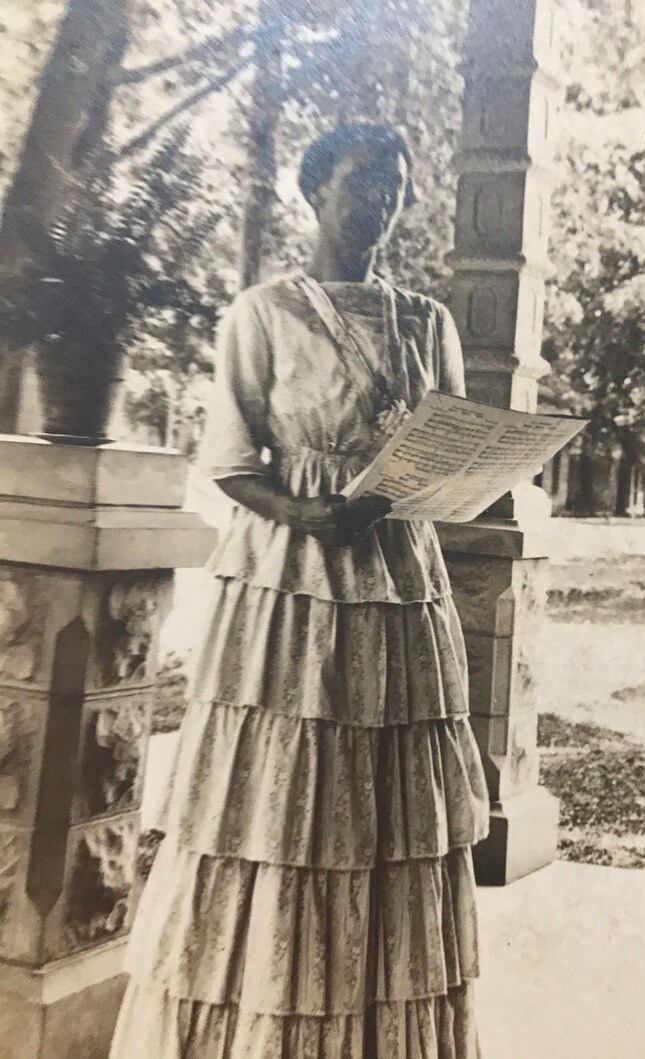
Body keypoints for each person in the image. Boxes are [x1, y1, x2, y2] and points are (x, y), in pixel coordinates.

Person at [109, 121, 489, 1059]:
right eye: (365, 181)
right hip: (291, 578)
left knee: (386, 805)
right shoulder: (262, 311)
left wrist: (458, 471)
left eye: (397, 183)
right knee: (280, 803)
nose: (383, 200)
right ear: (315, 191)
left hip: (398, 581)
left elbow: (443, 445)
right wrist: (305, 512)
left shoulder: (427, 321)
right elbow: (230, 459)